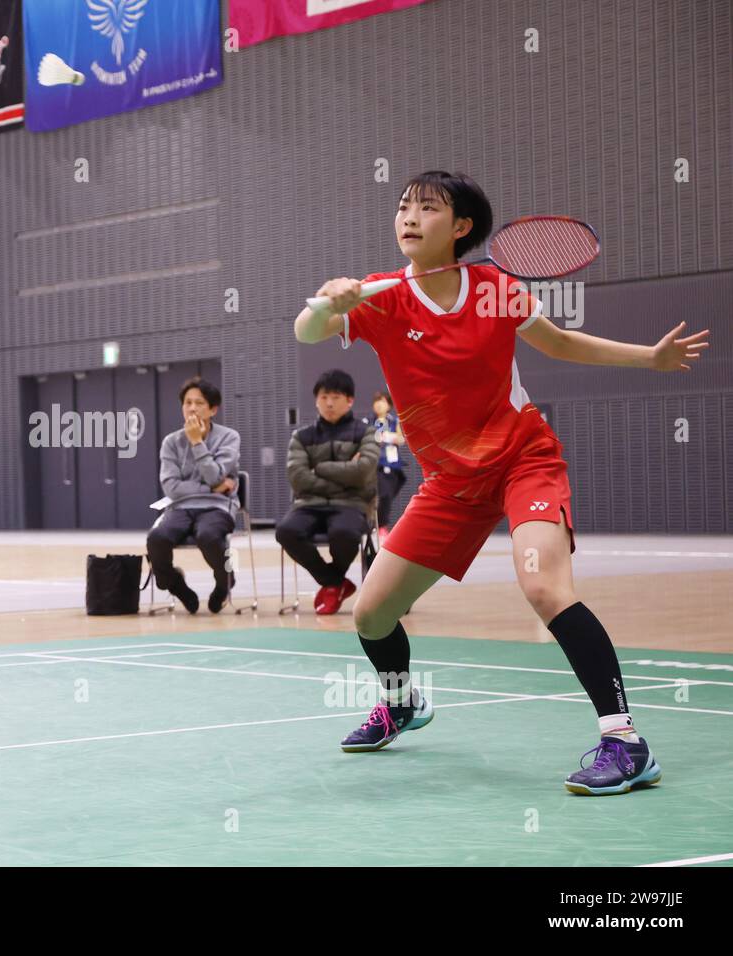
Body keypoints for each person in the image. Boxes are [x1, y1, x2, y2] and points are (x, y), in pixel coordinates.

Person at [293, 169, 710, 794]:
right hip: (449, 484)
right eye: (403, 206)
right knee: (373, 614)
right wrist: (328, 304)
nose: (409, 217)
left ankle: (625, 742)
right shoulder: (381, 297)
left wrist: (649, 357)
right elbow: (305, 333)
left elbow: (560, 343)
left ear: (461, 226)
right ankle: (401, 703)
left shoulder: (494, 289)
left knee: (543, 585)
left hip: (522, 461)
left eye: (427, 208)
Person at [275, 370, 378, 615]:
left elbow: (363, 472)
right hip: (309, 503)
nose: (329, 403)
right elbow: (298, 477)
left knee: (343, 533)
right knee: (287, 531)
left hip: (352, 504)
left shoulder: (365, 433)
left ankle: (332, 585)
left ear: (350, 400)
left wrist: (319, 468)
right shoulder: (301, 437)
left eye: (336, 397)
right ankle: (334, 582)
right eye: (323, 397)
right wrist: (345, 475)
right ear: (316, 400)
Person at [146, 377, 241, 614]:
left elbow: (215, 476)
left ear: (213, 409)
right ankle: (176, 585)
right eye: (187, 403)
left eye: (199, 403)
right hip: (180, 506)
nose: (192, 408)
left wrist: (197, 442)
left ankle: (224, 582)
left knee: (208, 536)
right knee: (157, 538)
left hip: (217, 506)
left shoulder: (229, 437)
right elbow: (171, 487)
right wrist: (210, 487)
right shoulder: (171, 442)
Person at [370, 390, 407, 531]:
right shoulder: (370, 421)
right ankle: (380, 527)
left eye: (382, 401)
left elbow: (401, 439)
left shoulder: (393, 421)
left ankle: (380, 525)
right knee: (383, 495)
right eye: (376, 401)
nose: (379, 404)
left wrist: (389, 437)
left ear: (389, 405)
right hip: (376, 466)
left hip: (393, 465)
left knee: (388, 495)